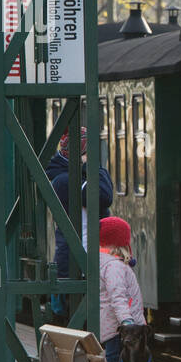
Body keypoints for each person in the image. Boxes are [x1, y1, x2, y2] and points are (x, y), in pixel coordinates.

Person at [46, 128, 113, 322]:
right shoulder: (66, 181)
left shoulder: (64, 176)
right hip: (78, 264)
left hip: (77, 262)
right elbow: (104, 195)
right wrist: (95, 167)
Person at [97, 216, 144, 362]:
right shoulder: (114, 267)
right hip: (120, 330)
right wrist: (128, 322)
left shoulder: (107, 264)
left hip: (115, 328)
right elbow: (118, 297)